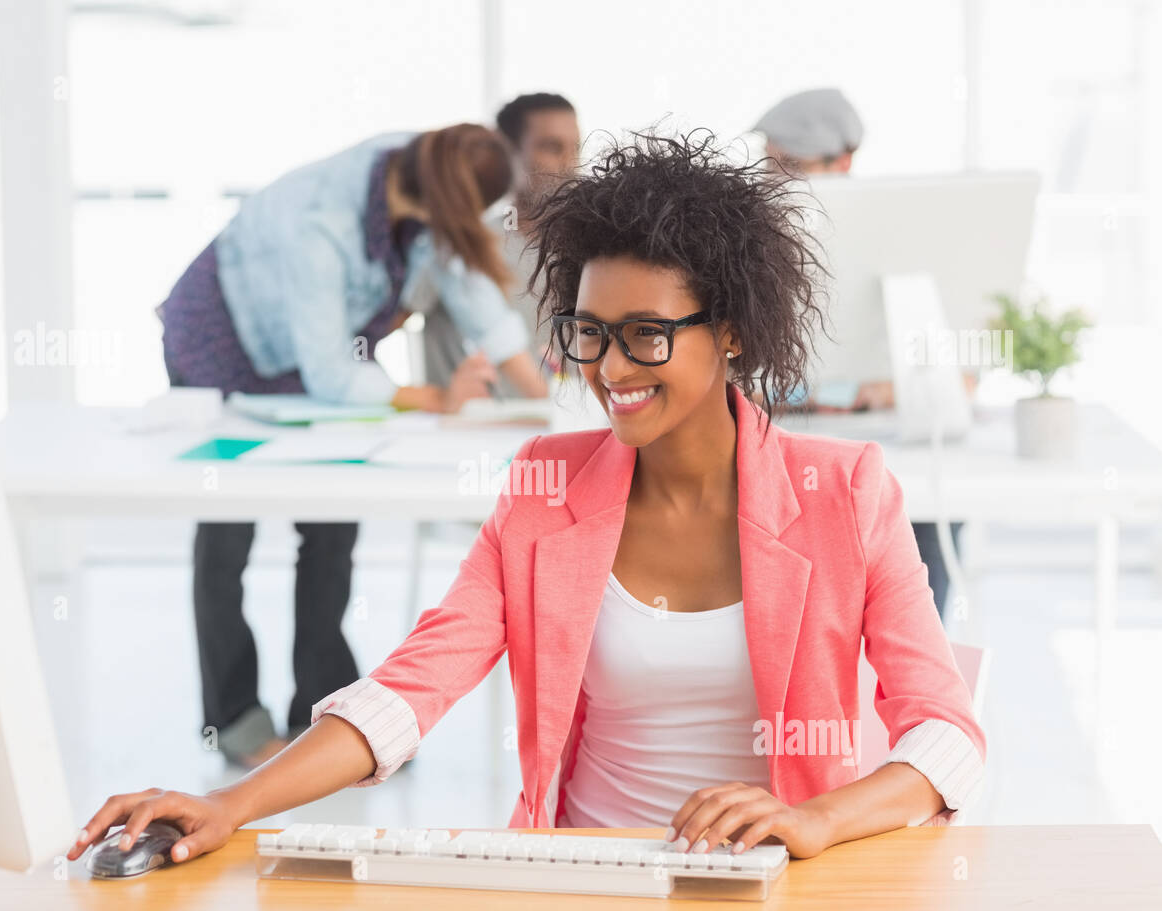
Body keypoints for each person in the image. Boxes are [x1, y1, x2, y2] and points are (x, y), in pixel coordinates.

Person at [72, 130, 984, 869]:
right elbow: (413, 686)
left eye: (645, 337)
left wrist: (819, 818)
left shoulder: (846, 488)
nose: (609, 370)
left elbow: (944, 735)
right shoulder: (549, 485)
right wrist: (232, 803)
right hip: (584, 882)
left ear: (734, 331)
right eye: (588, 334)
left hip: (781, 890)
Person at [156, 124, 548, 770]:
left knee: (332, 522)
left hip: (317, 353)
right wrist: (433, 399)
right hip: (222, 337)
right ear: (443, 206)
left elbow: (474, 293)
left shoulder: (431, 171)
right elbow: (333, 375)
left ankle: (325, 712)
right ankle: (234, 721)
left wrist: (540, 400)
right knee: (228, 533)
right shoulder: (326, 223)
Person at [754, 88, 967, 621]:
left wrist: (875, 392)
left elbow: (963, 374)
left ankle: (915, 690)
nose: (776, 181)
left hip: (894, 442)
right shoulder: (753, 237)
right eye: (769, 164)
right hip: (789, 445)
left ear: (841, 162)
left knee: (916, 575)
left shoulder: (905, 234)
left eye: (792, 165)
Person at [418, 93, 580, 391]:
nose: (569, 164)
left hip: (564, 431)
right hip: (471, 432)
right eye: (551, 147)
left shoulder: (590, 253)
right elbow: (372, 325)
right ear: (507, 153)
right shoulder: (459, 243)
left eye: (576, 148)